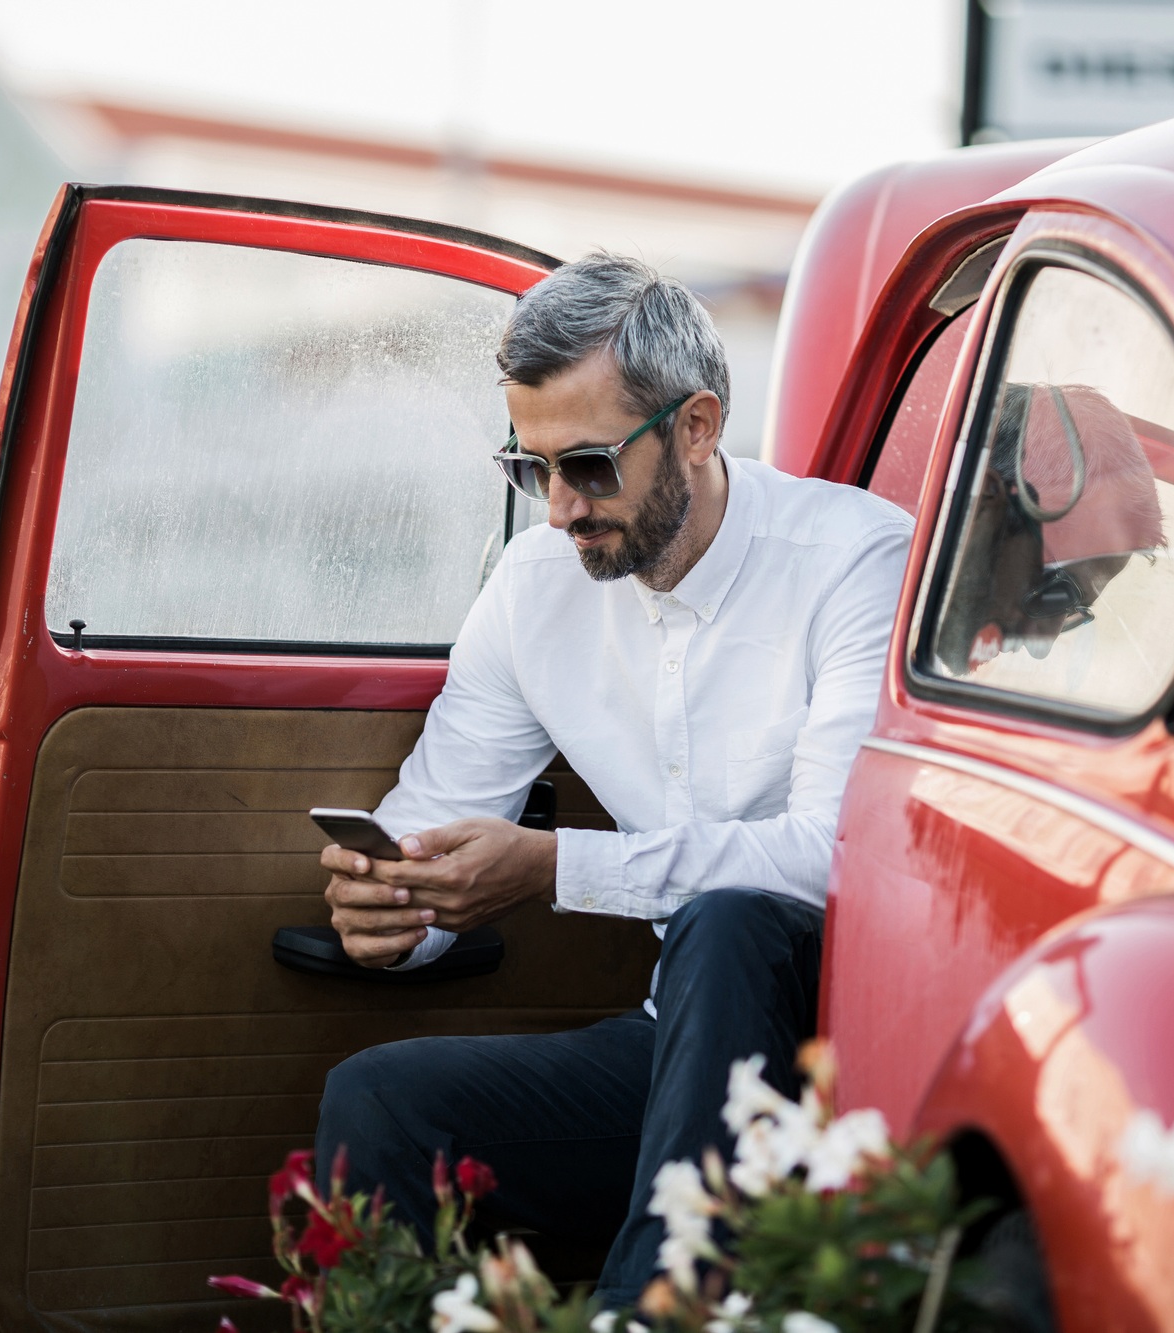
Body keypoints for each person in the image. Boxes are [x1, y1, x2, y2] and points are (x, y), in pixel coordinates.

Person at [313, 253, 912, 1307]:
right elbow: (441, 810)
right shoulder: (535, 586)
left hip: (849, 1063)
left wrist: (554, 868)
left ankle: (650, 1320)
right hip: (674, 1047)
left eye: (586, 465)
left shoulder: (853, 558)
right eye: (526, 468)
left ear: (695, 426)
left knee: (730, 924)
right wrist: (399, 903)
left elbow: (831, 861)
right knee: (380, 1102)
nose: (555, 510)